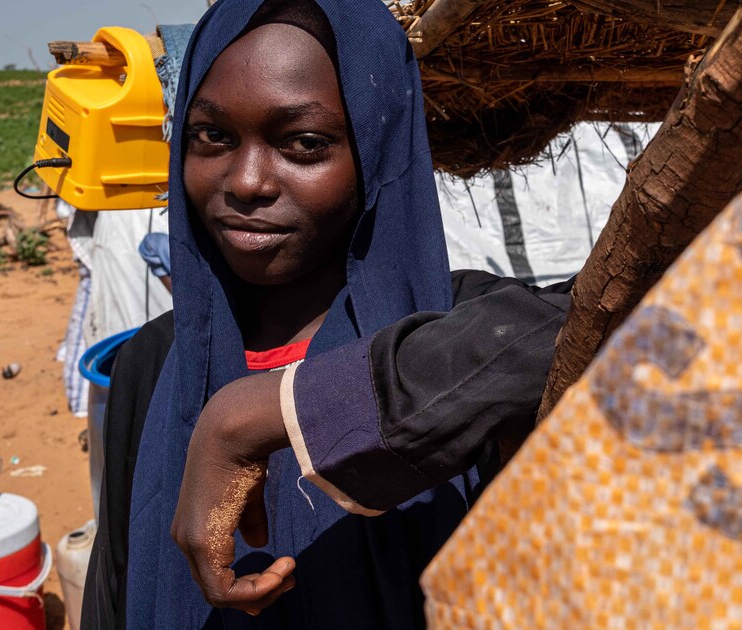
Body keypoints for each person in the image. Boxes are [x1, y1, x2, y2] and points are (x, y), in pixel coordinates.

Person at [80, 0, 573, 627]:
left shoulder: (469, 330)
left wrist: (271, 411)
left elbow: (650, 317)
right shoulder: (154, 363)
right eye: (212, 136)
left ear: (374, 152)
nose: (247, 180)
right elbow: (116, 589)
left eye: (304, 144)